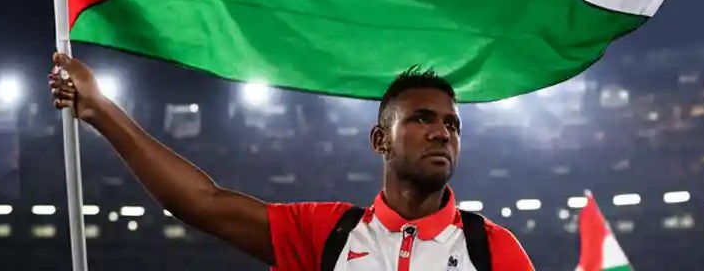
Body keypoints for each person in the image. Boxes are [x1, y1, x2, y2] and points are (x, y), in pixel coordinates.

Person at [49, 53, 535, 271]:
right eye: (422, 119)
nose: (441, 132)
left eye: (452, 125)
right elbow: (202, 202)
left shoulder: (490, 250)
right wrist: (100, 111)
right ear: (379, 140)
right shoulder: (329, 235)